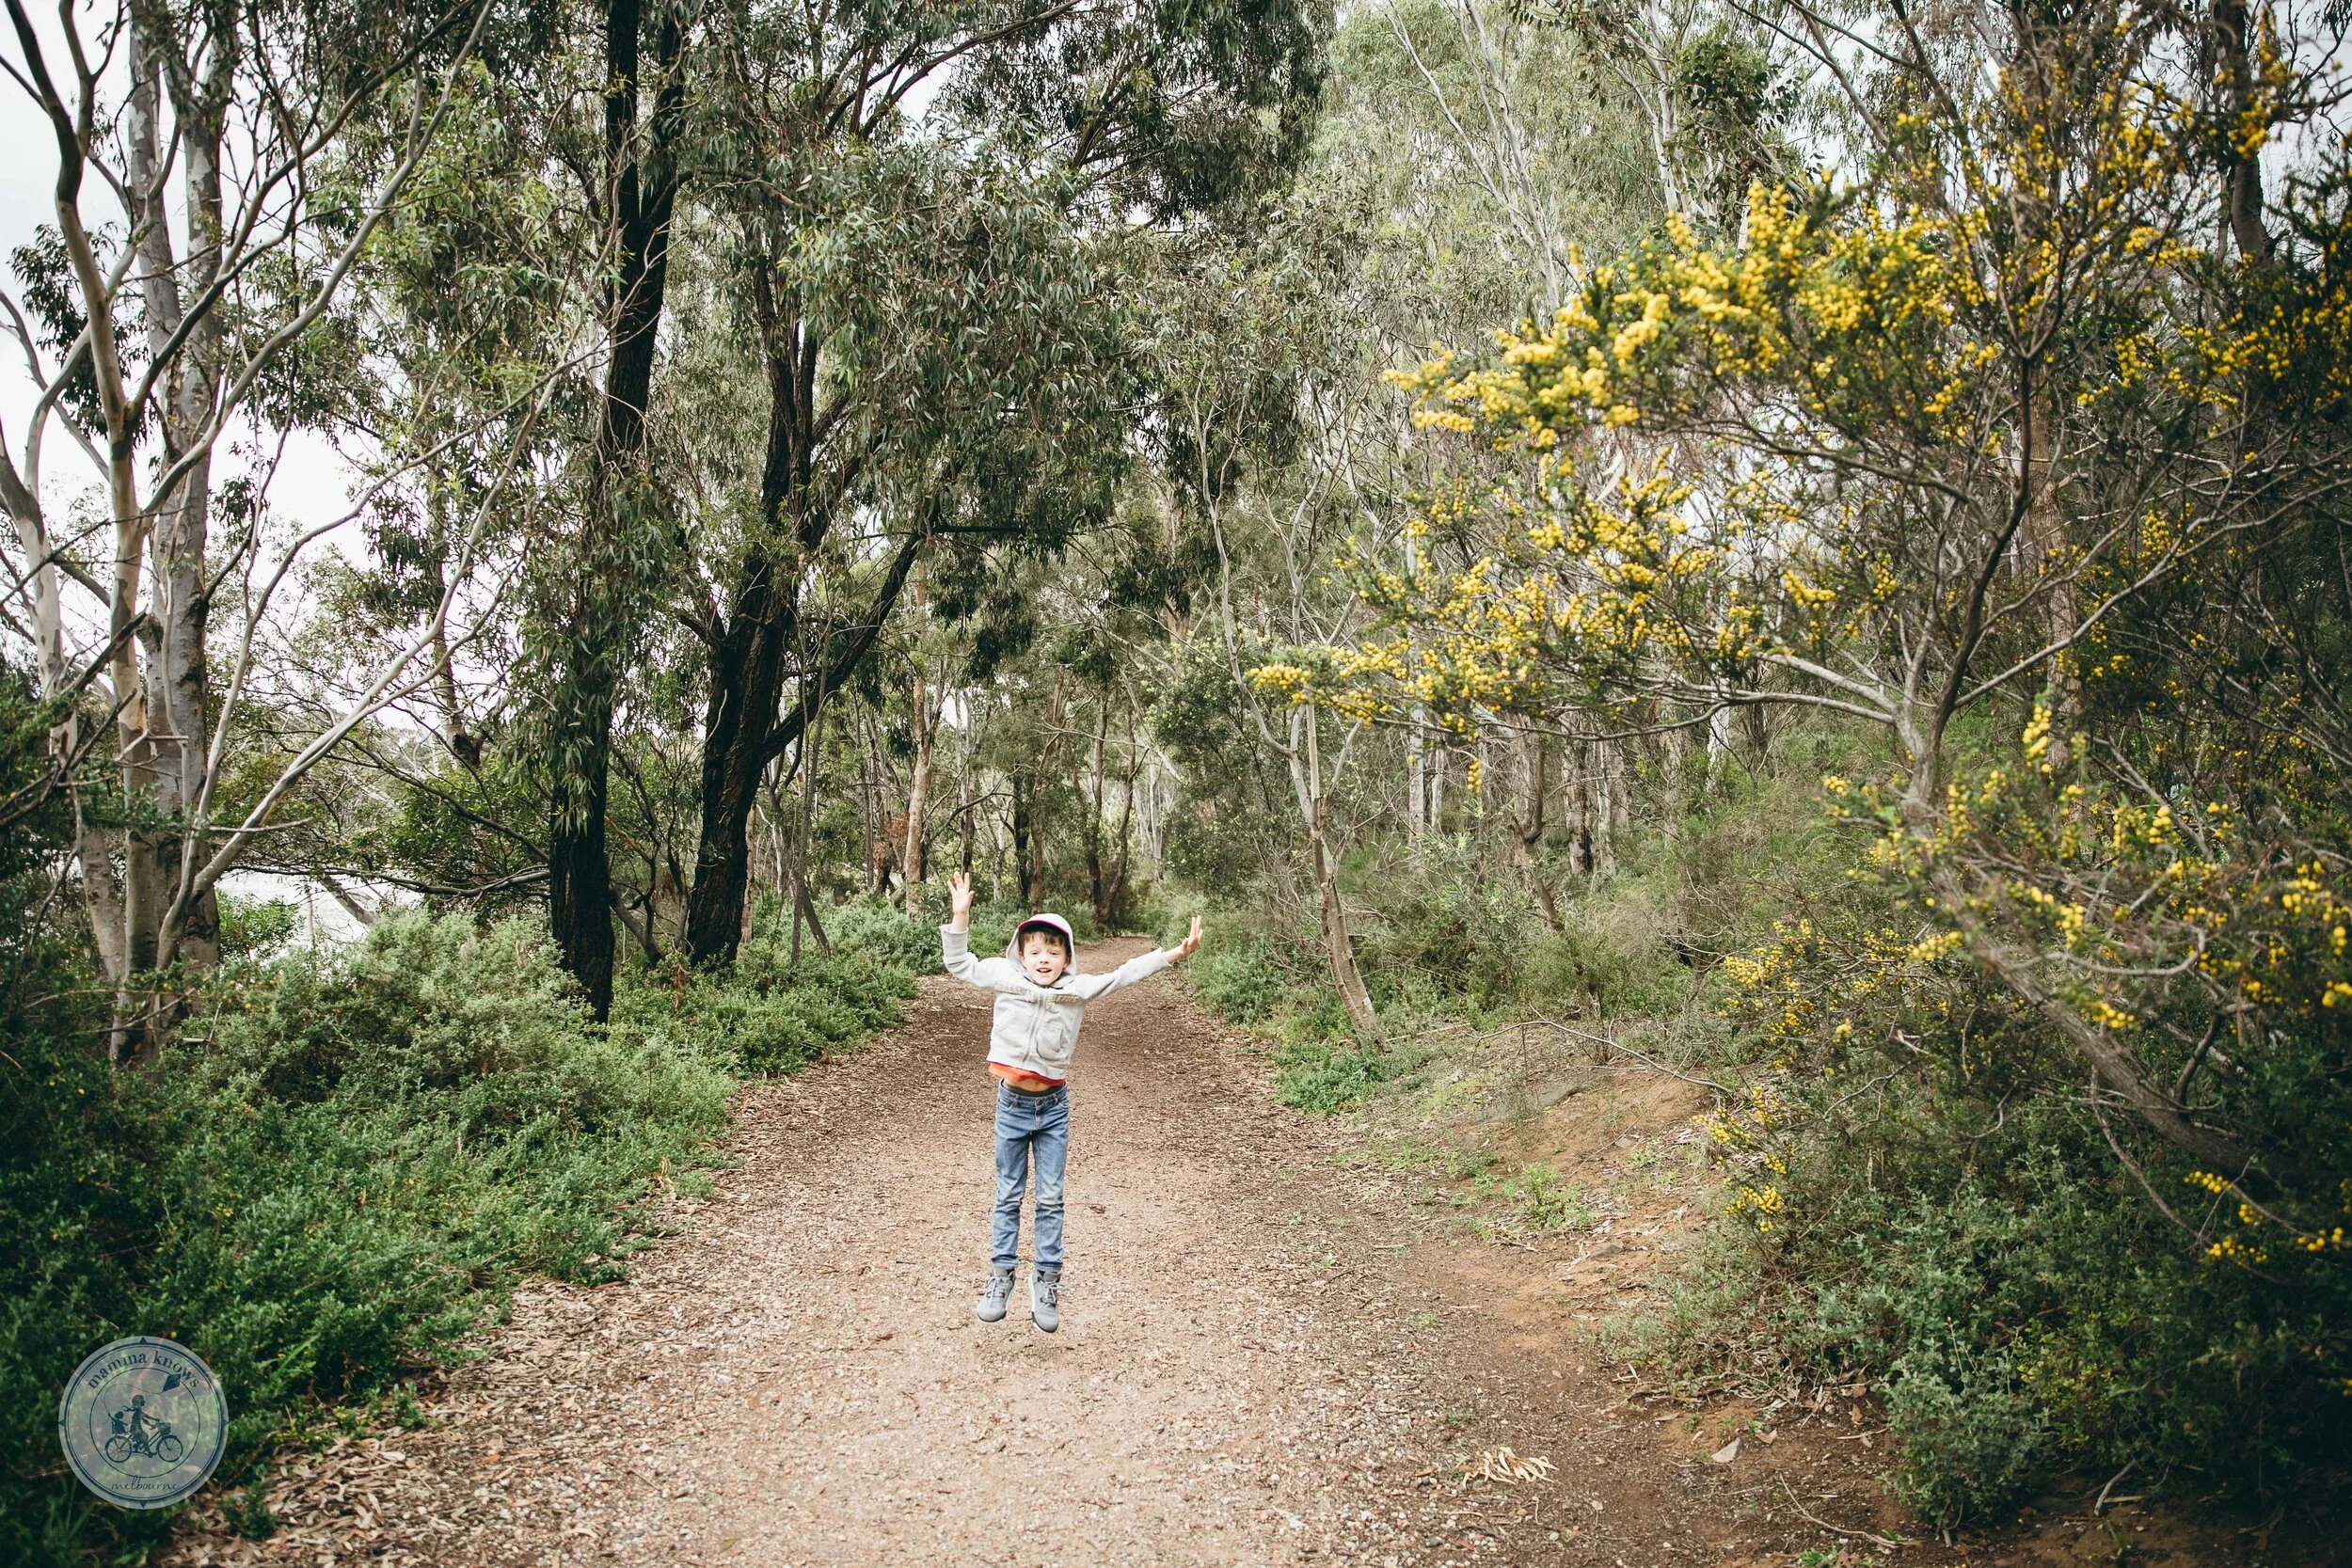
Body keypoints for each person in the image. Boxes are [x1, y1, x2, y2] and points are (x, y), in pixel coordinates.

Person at [941, 871, 1200, 1331]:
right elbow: (960, 966)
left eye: (1054, 952)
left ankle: (1046, 1281)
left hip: (1053, 1108)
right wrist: (960, 917)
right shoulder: (1005, 977)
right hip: (1011, 1106)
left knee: (1052, 1198)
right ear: (1021, 954)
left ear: (1067, 958)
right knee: (1008, 1193)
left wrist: (1174, 954)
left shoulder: (1076, 991)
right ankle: (1000, 1276)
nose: (1044, 960)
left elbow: (1124, 975)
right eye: (1035, 951)